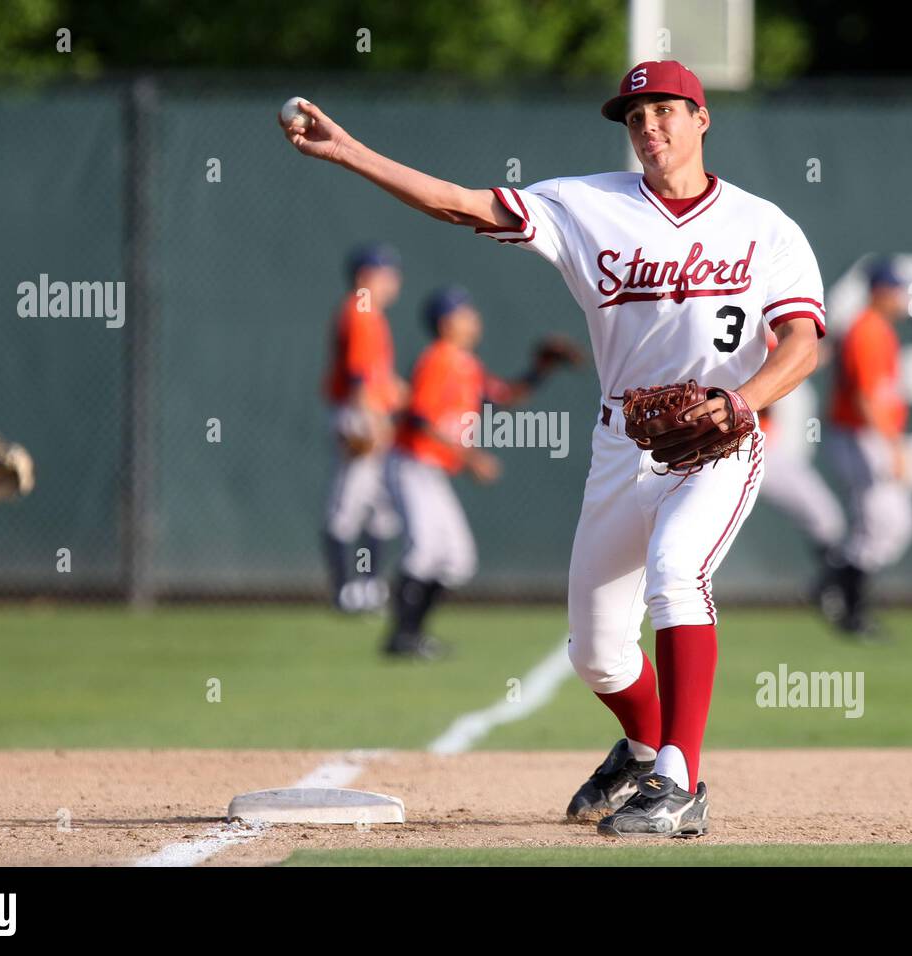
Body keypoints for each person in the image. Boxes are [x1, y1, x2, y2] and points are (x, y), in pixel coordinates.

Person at [280, 59, 824, 838]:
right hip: (621, 443)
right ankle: (643, 747)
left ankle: (681, 781)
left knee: (678, 572)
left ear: (702, 119)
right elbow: (457, 203)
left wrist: (741, 402)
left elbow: (801, 347)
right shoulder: (584, 205)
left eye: (666, 111)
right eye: (635, 117)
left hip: (719, 443)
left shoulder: (765, 226)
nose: (649, 127)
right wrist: (350, 152)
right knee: (598, 655)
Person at [383, 286, 570, 659]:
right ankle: (402, 637)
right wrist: (470, 458)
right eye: (466, 313)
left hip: (431, 470)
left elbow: (505, 396)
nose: (474, 319)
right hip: (412, 464)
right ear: (447, 322)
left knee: (457, 559)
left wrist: (541, 368)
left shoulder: (466, 364)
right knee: (423, 550)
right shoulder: (438, 359)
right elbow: (419, 417)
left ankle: (412, 635)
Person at [823, 260, 912, 638]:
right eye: (897, 289)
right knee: (881, 522)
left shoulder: (877, 329)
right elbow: (865, 397)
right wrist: (892, 447)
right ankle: (849, 606)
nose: (903, 297)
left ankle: (836, 586)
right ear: (880, 291)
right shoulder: (867, 330)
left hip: (866, 436)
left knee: (891, 524)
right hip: (860, 436)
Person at [321, 244, 407, 613]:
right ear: (364, 276)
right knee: (348, 502)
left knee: (382, 508)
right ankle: (344, 591)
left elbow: (379, 377)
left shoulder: (371, 314)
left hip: (373, 412)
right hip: (361, 414)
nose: (393, 280)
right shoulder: (360, 309)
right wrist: (373, 423)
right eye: (384, 272)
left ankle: (369, 588)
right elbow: (359, 377)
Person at [754, 331, 847, 617]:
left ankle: (829, 591)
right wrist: (815, 354)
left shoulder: (768, 331)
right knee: (827, 519)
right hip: (754, 450)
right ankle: (830, 592)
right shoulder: (756, 335)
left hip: (764, 449)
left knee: (827, 520)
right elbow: (776, 366)